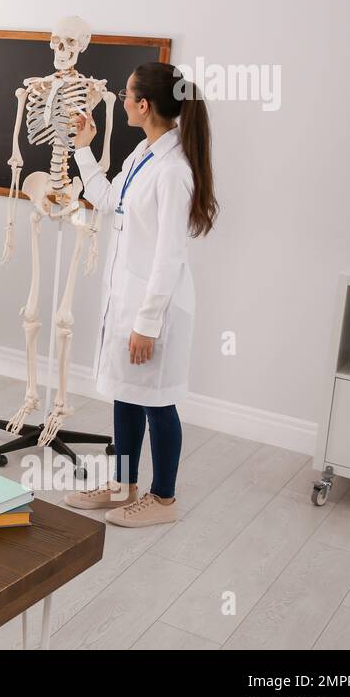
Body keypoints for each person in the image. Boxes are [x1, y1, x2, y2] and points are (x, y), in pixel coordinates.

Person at [65, 62, 218, 527]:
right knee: (126, 394)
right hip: (129, 299)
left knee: (157, 400)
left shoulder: (173, 172)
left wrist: (147, 323)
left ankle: (163, 500)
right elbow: (110, 201)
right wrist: (84, 149)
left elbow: (169, 257)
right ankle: (124, 485)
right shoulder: (143, 155)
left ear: (144, 105)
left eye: (127, 94)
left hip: (156, 307)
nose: (122, 99)